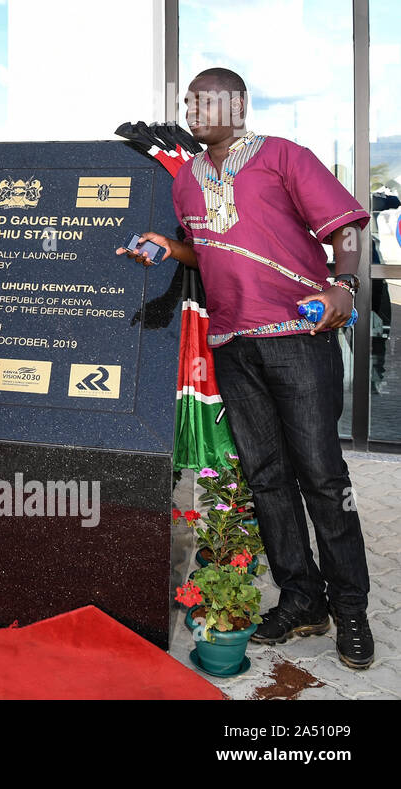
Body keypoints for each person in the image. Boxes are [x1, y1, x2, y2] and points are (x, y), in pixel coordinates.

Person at [123, 66, 375, 670]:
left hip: (298, 335)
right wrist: (168, 245)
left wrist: (342, 286)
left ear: (238, 104)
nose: (192, 109)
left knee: (320, 474)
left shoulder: (285, 157)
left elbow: (347, 230)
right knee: (265, 478)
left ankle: (352, 607)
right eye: (187, 101)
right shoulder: (187, 181)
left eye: (205, 100)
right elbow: (207, 252)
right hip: (232, 342)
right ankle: (301, 599)